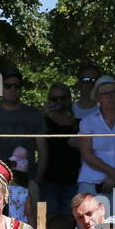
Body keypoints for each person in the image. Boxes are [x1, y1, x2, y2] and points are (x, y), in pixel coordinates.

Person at [76, 76, 115, 206]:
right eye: (105, 93)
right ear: (98, 97)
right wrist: (113, 173)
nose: (109, 96)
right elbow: (87, 154)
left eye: (113, 92)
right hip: (92, 182)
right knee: (91, 224)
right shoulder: (87, 122)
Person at [0, 67, 46, 183]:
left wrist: (37, 181)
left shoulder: (34, 115)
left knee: (41, 202)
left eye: (16, 86)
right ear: (0, 89)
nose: (13, 89)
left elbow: (43, 152)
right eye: (8, 86)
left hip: (27, 179)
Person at [37, 82, 81, 218]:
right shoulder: (43, 122)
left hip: (73, 180)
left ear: (69, 99)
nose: (59, 102)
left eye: (62, 98)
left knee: (70, 219)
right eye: (54, 99)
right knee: (47, 220)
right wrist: (41, 115)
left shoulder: (79, 123)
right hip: (48, 180)